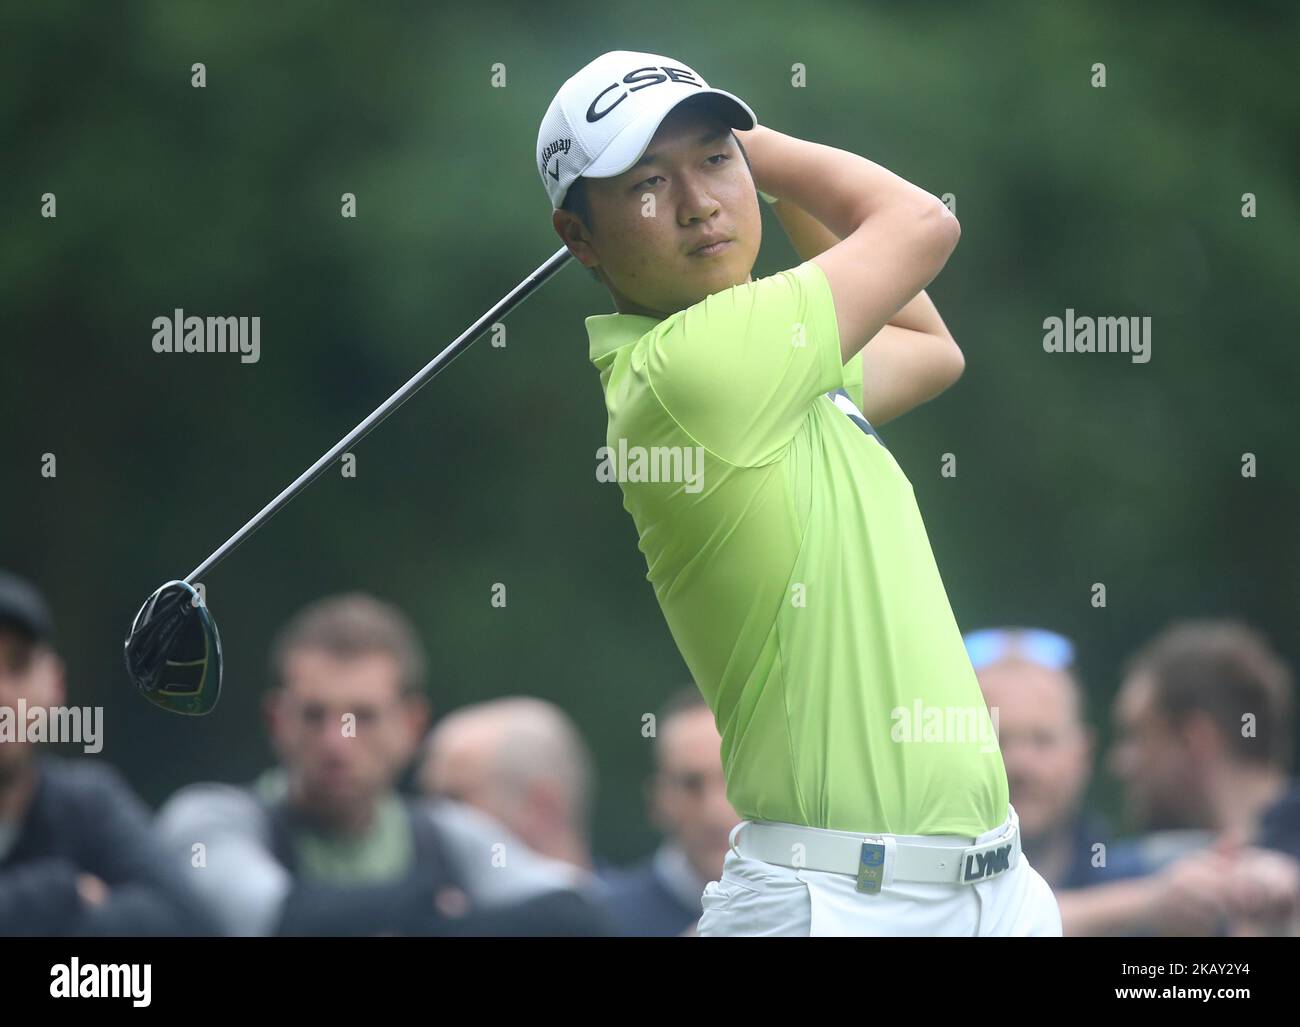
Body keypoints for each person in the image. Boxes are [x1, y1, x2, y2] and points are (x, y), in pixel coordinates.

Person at [538, 50, 1057, 936]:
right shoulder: (691, 371)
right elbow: (921, 224)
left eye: (713, 160)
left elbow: (930, 348)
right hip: (834, 904)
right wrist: (759, 151)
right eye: (647, 185)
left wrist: (752, 173)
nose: (700, 202)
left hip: (995, 890)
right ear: (579, 238)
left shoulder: (776, 363)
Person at [157, 593, 612, 935]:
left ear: (413, 726)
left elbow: (577, 914)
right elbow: (279, 921)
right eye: (314, 715)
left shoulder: (447, 835)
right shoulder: (211, 820)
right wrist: (438, 910)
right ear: (276, 720)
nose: (337, 742)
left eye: (364, 718)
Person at [0, 570, 214, 936]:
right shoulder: (61, 882)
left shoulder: (88, 805)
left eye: (17, 665)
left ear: (56, 683)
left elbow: (188, 926)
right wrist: (59, 891)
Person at [603, 687, 738, 936]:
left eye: (732, 779)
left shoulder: (811, 911)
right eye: (691, 785)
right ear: (658, 799)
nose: (715, 810)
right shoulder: (605, 921)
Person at [418, 697, 600, 877]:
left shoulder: (621, 906)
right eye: (431, 801)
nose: (433, 818)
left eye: (456, 800)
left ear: (542, 808)